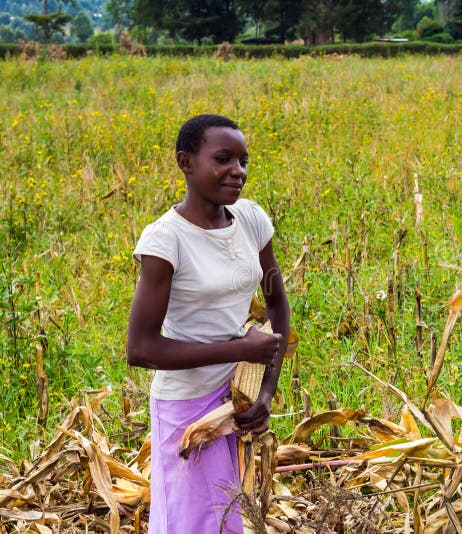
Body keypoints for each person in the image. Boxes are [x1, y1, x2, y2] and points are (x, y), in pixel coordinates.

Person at [126, 114, 290, 533]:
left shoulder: (251, 220)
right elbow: (141, 349)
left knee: (227, 520)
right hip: (187, 408)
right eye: (223, 159)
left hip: (235, 400)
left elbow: (277, 304)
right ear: (186, 162)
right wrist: (240, 349)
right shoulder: (166, 241)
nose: (238, 171)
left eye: (243, 160)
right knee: (191, 523)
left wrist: (264, 392)